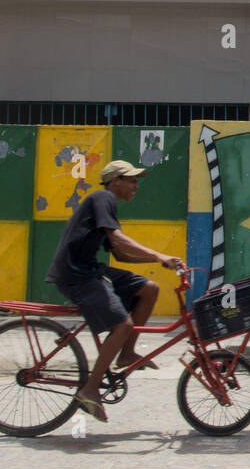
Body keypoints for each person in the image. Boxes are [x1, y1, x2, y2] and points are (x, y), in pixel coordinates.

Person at [45, 159, 185, 422]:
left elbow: (120, 254)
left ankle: (127, 353)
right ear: (115, 181)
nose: (136, 186)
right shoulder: (102, 197)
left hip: (91, 269)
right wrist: (158, 254)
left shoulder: (107, 206)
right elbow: (118, 238)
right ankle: (89, 389)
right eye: (131, 180)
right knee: (123, 325)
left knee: (149, 289)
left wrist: (160, 262)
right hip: (75, 275)